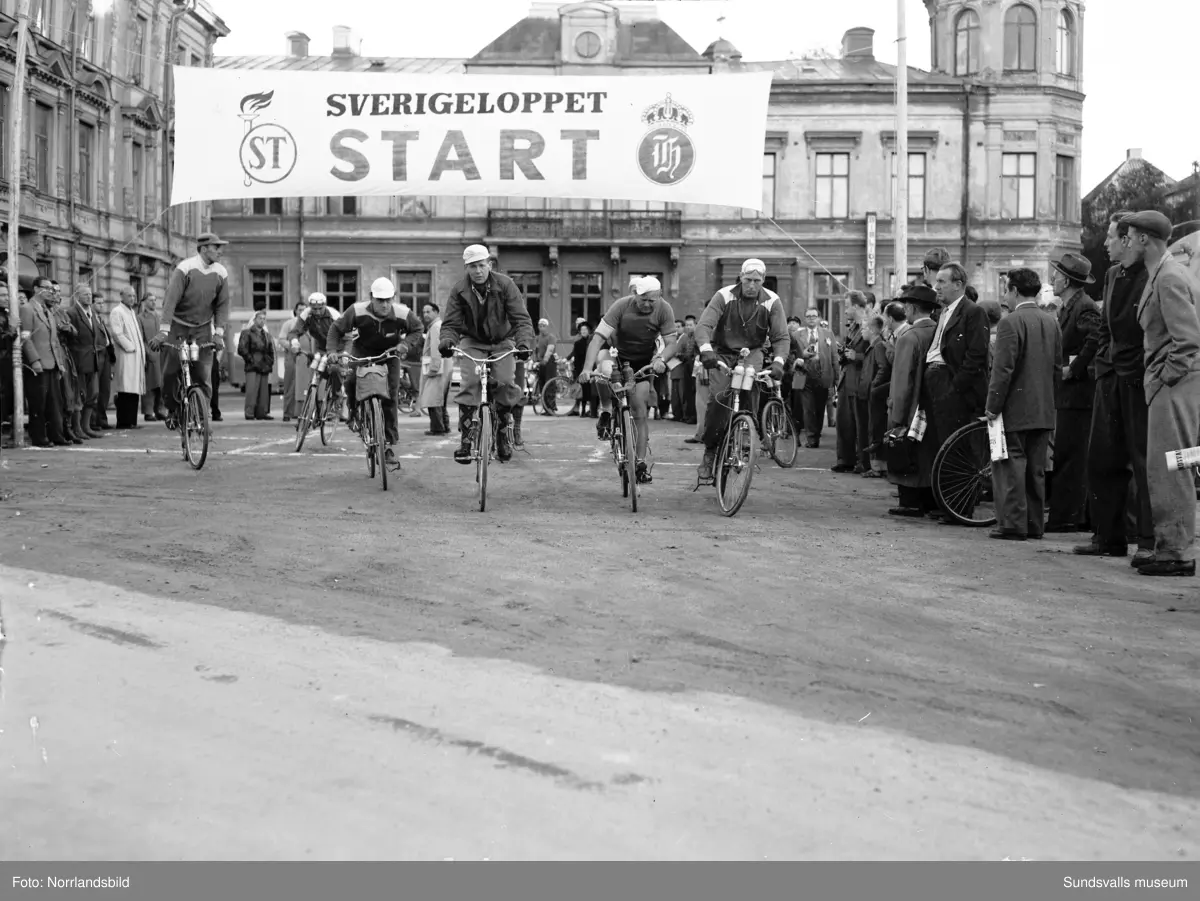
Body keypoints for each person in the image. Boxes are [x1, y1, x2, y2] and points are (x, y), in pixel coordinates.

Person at [1121, 209, 1200, 577]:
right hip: (1172, 386)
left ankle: (1178, 553)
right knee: (1169, 465)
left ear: (1144, 240)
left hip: (1175, 386)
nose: (1125, 242)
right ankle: (1171, 546)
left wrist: (1164, 378)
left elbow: (1187, 341)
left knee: (1172, 466)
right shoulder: (1166, 273)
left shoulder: (1168, 277)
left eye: (1129, 235)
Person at [1076, 210, 1155, 564]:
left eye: (1110, 237)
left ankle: (1148, 540)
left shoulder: (1151, 274)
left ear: (1127, 240)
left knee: (1141, 461)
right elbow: (1106, 324)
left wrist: (1130, 367)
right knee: (1101, 457)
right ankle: (1107, 536)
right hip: (1111, 377)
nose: (1105, 243)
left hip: (1137, 378)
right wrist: (1103, 365)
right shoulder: (1110, 274)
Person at [693, 259, 789, 481]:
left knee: (750, 383)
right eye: (748, 280)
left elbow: (781, 336)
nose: (752, 285)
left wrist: (779, 362)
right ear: (740, 277)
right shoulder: (724, 295)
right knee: (719, 397)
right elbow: (704, 326)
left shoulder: (772, 301)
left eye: (757, 281)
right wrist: (706, 350)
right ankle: (710, 450)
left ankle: (746, 432)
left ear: (763, 280)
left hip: (752, 352)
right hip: (723, 351)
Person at [985, 268, 1062, 540]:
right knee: (1036, 470)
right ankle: (1034, 524)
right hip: (1043, 408)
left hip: (1016, 407)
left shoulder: (1010, 323)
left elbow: (1002, 371)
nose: (1006, 296)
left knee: (1012, 465)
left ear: (1015, 291)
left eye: (1007, 290)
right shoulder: (1051, 322)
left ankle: (1013, 524)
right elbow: (1056, 368)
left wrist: (993, 406)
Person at [438, 245, 534, 464]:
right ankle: (465, 440)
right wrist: (447, 341)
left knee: (505, 383)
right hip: (473, 341)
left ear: (489, 265)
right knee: (470, 381)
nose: (478, 271)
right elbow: (451, 323)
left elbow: (521, 319)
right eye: (473, 267)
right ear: (467, 268)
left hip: (503, 341)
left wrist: (524, 343)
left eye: (481, 265)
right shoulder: (459, 289)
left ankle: (501, 433)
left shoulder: (505, 285)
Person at [579, 276, 679, 484]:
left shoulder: (664, 309)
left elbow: (671, 342)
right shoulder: (621, 306)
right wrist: (587, 369)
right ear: (635, 295)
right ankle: (606, 410)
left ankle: (640, 464)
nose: (648, 305)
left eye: (653, 300)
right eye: (644, 300)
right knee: (604, 370)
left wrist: (661, 358)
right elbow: (597, 339)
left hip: (641, 360)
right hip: (615, 354)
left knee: (639, 411)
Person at [326, 277, 423, 467]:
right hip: (362, 352)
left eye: (388, 300)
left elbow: (417, 329)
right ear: (371, 297)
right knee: (351, 380)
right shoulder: (356, 310)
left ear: (393, 298)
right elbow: (335, 329)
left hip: (390, 354)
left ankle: (388, 444)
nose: (385, 304)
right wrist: (331, 352)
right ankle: (354, 413)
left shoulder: (403, 313)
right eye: (380, 300)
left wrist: (405, 345)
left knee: (391, 395)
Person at [924, 262, 991, 523]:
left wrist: (954, 389)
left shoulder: (972, 313)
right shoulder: (944, 312)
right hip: (938, 384)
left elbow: (976, 356)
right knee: (941, 444)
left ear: (958, 284)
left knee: (957, 448)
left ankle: (959, 508)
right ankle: (947, 503)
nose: (936, 286)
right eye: (937, 281)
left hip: (955, 389)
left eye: (942, 282)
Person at [148, 232, 231, 434]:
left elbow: (222, 305)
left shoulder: (221, 272)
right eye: (216, 247)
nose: (220, 251)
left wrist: (218, 333)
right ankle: (174, 408)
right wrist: (163, 332)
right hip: (177, 326)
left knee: (203, 375)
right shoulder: (185, 269)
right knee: (169, 372)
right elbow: (170, 302)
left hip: (202, 328)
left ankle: (202, 419)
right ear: (203, 249)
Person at [1045, 252, 1101, 533]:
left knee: (1071, 457)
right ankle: (1069, 515)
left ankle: (1068, 517)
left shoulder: (1084, 306)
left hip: (1079, 395)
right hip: (1071, 395)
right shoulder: (1071, 305)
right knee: (1068, 455)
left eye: (1055, 275)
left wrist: (1074, 369)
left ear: (1066, 280)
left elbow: (1095, 338)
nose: (1052, 278)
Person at [886, 284, 941, 516]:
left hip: (911, 409)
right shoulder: (937, 330)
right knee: (928, 452)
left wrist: (896, 415)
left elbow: (901, 381)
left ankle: (910, 502)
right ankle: (928, 500)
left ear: (911, 307)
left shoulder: (909, 336)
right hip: (934, 405)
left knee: (909, 453)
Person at [17, 279, 70, 446]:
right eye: (46, 288)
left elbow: (54, 341)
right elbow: (26, 337)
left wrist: (59, 363)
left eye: (51, 289)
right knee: (38, 403)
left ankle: (57, 435)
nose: (50, 292)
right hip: (38, 365)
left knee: (55, 403)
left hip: (52, 363)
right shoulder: (27, 309)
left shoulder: (48, 311)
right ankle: (39, 437)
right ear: (36, 289)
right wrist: (34, 360)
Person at [833, 290, 871, 473]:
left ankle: (862, 461)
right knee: (844, 422)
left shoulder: (869, 325)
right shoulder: (853, 327)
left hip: (858, 381)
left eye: (847, 306)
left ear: (856, 306)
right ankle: (845, 459)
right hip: (846, 379)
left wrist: (857, 356)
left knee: (859, 424)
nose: (845, 310)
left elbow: (878, 353)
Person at [66, 284, 108, 440]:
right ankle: (77, 428)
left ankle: (86, 426)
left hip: (94, 359)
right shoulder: (72, 313)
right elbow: (71, 339)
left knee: (93, 393)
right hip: (80, 360)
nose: (89, 297)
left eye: (90, 294)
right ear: (77, 296)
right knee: (80, 395)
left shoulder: (93, 314)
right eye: (85, 295)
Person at [793, 308, 838, 448]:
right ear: (805, 319)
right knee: (807, 408)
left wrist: (837, 379)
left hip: (822, 374)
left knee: (819, 408)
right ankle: (811, 438)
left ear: (819, 318)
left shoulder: (827, 333)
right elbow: (791, 356)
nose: (811, 319)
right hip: (802, 375)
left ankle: (816, 435)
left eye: (814, 316)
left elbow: (834, 357)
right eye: (808, 316)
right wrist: (802, 356)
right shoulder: (796, 335)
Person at [108, 286, 147, 429]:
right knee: (125, 390)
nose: (132, 298)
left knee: (133, 390)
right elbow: (117, 333)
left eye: (134, 295)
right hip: (127, 355)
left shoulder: (131, 312)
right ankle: (124, 421)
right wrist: (131, 347)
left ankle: (132, 420)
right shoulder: (117, 312)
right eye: (129, 296)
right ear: (121, 296)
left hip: (136, 356)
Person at [419, 301, 453, 436]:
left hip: (438, 366)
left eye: (428, 312)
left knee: (433, 398)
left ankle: (438, 428)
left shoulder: (435, 327)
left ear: (436, 312)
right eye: (424, 312)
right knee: (440, 398)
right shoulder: (437, 325)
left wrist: (434, 367)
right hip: (443, 365)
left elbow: (435, 348)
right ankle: (444, 426)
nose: (425, 315)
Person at [238, 309, 276, 420]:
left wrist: (270, 362)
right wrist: (250, 360)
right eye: (260, 318)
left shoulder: (267, 335)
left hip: (264, 366)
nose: (262, 321)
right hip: (252, 366)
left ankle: (261, 413)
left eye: (264, 319)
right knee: (251, 391)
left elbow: (270, 350)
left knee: (264, 392)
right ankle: (249, 413)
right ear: (254, 320)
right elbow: (241, 349)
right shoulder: (247, 333)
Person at [138, 294, 167, 422]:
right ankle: (148, 411)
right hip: (149, 354)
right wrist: (147, 351)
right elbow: (140, 337)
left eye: (155, 300)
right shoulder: (140, 318)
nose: (154, 302)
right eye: (150, 300)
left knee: (161, 384)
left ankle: (160, 409)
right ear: (144, 302)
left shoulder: (159, 316)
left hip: (161, 354)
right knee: (149, 385)